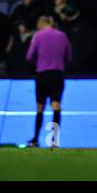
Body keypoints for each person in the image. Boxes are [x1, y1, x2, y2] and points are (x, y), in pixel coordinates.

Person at [26, 15, 72, 147]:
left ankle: (35, 139)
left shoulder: (38, 36)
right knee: (56, 106)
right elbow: (69, 56)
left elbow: (29, 56)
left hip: (42, 74)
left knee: (40, 107)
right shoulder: (62, 35)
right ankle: (54, 140)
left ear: (40, 24)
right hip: (57, 74)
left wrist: (40, 61)